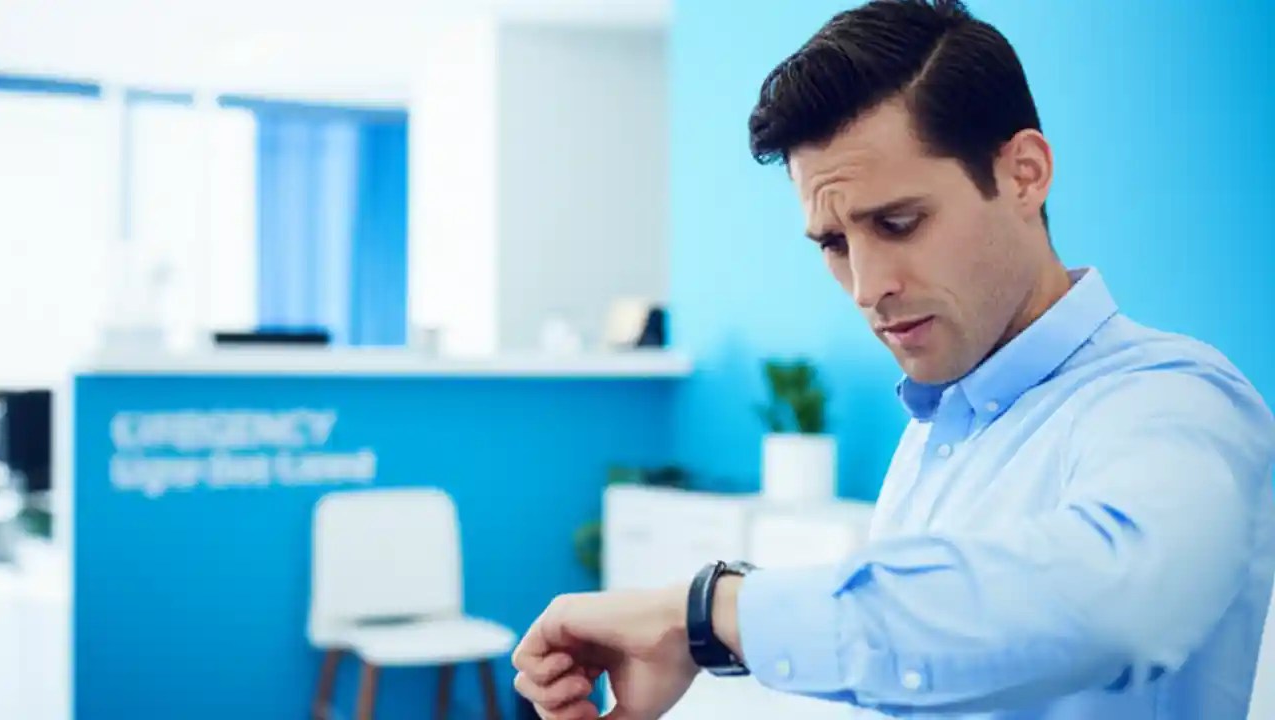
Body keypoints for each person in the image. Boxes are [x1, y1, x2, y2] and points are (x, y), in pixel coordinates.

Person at [511, 1, 1275, 718]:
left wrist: (709, 612)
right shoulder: (939, 425)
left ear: (1024, 174)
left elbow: (1112, 602)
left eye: (900, 223)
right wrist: (708, 640)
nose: (866, 287)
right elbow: (929, 638)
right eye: (834, 243)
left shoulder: (1176, 399)